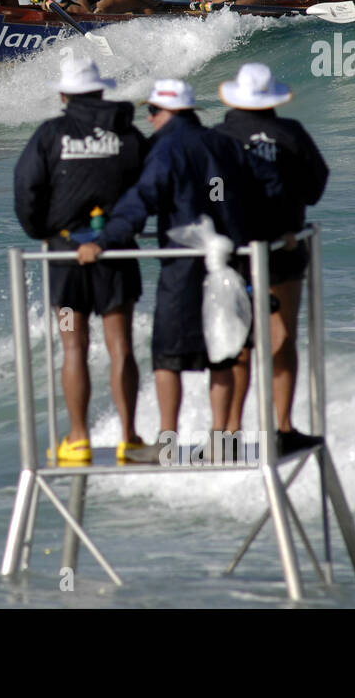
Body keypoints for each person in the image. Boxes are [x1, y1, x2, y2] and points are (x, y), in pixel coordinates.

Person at [76, 79, 282, 462]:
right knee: (223, 349)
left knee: (168, 355)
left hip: (185, 264)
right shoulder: (224, 143)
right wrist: (265, 232)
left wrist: (102, 241)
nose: (150, 119)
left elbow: (141, 201)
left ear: (167, 113)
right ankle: (223, 441)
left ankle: (167, 445)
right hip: (232, 259)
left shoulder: (166, 148)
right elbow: (271, 184)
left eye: (152, 112)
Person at [14, 57, 151, 464]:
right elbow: (146, 188)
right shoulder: (127, 134)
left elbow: (27, 189)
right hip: (115, 251)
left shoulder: (51, 134)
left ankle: (78, 438)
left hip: (65, 257)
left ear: (64, 95)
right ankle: (130, 437)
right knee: (120, 345)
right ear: (101, 92)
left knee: (73, 345)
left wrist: (41, 233)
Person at [215, 63, 327, 455]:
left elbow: (208, 193)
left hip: (233, 249)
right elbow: (315, 187)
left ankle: (229, 432)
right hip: (284, 244)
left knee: (237, 341)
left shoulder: (221, 136)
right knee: (282, 335)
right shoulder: (291, 133)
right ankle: (281, 427)